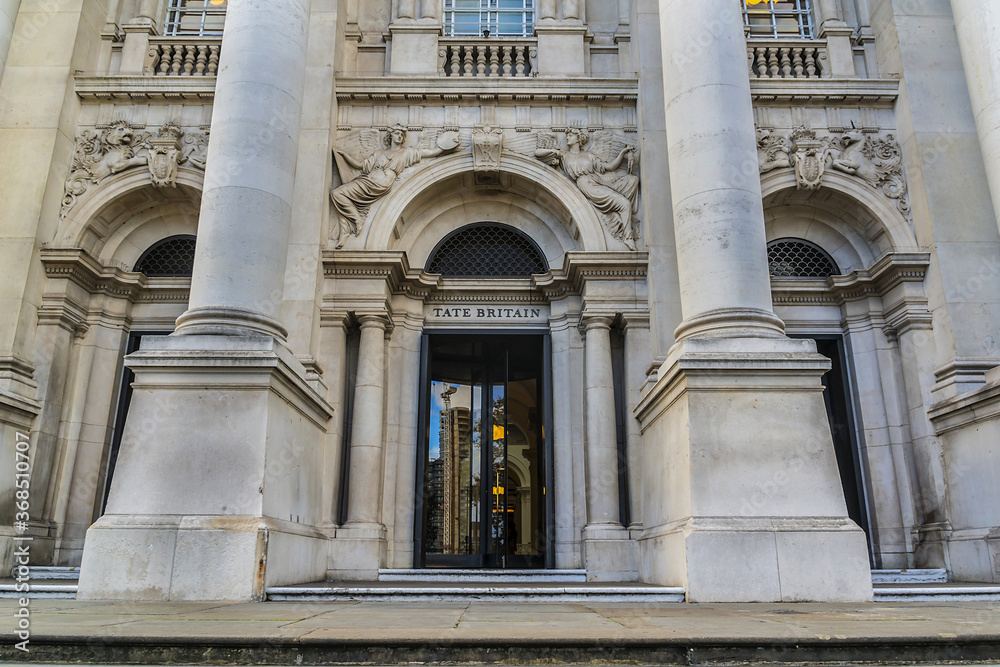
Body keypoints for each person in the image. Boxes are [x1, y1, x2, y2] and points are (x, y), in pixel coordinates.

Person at [536, 126, 640, 249]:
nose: (567, 137)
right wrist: (555, 152)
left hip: (598, 180)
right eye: (567, 135)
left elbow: (610, 167)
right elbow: (538, 152)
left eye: (571, 135)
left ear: (578, 139)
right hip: (586, 184)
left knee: (633, 180)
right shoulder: (564, 155)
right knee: (624, 203)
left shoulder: (589, 156)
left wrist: (622, 153)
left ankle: (617, 219)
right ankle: (628, 238)